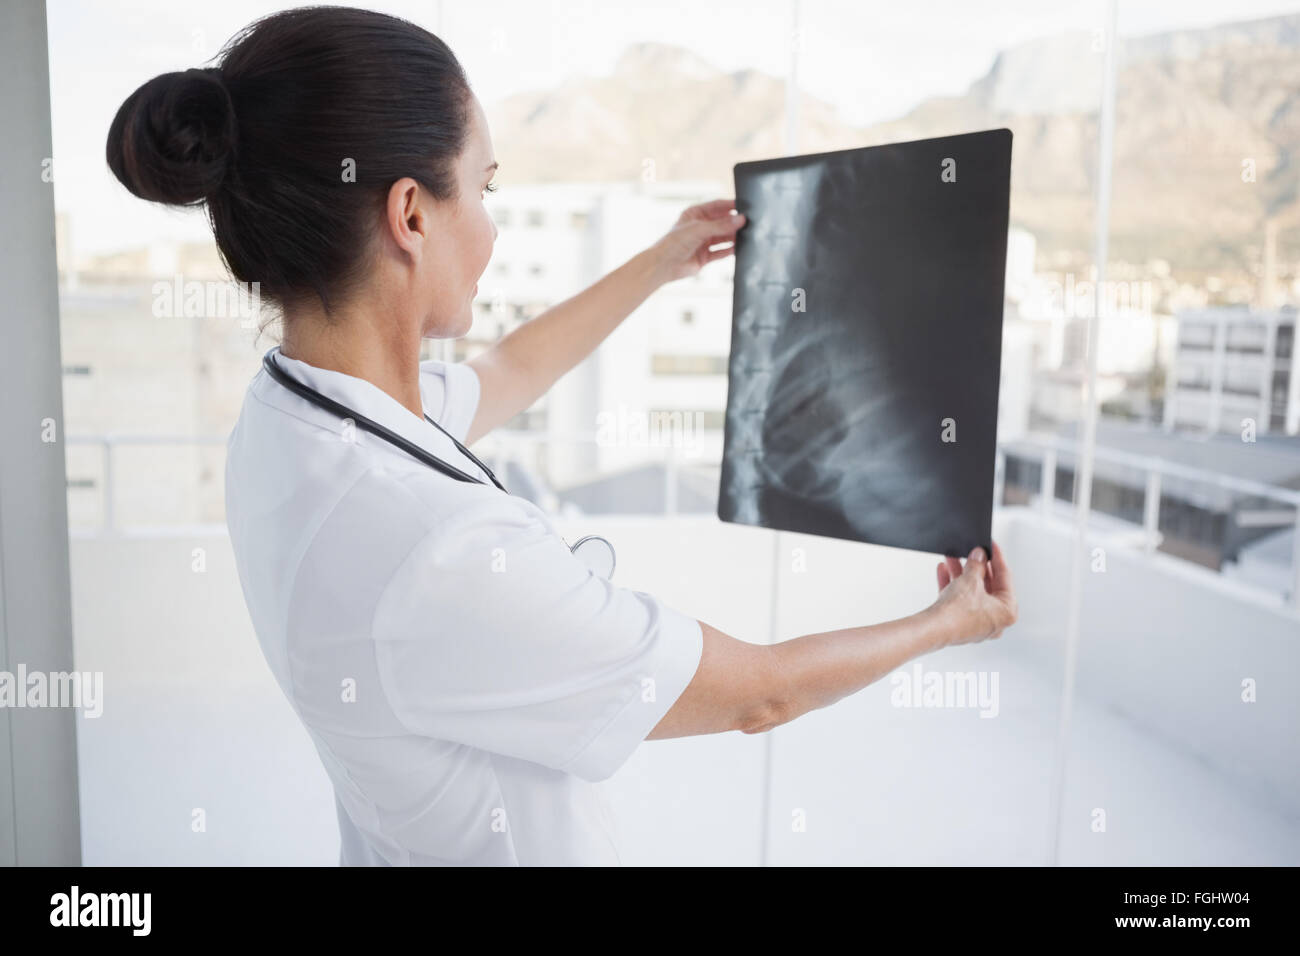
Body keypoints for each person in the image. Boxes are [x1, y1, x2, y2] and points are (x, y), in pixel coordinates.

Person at [105, 6, 1017, 866]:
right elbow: (758, 693)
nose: (493, 227)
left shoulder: (292, 416)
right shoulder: (438, 550)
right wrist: (947, 622)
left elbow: (507, 373)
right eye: (486, 188)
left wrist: (661, 261)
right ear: (412, 214)